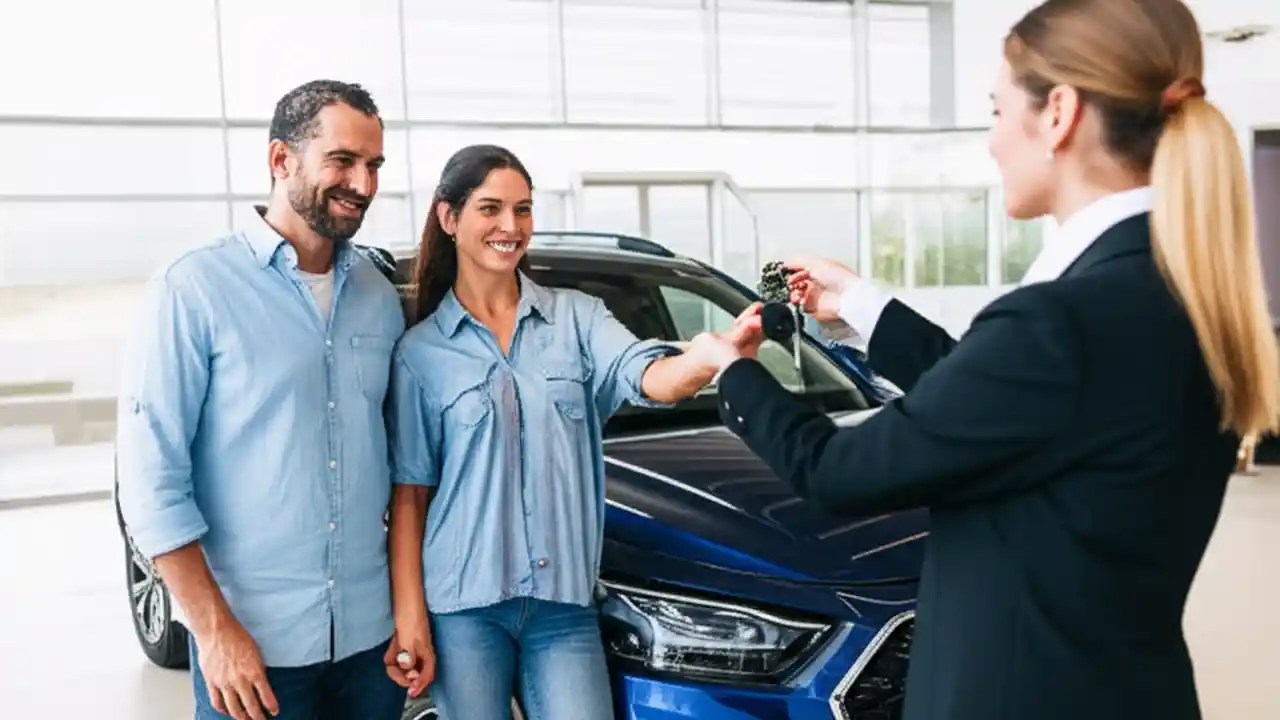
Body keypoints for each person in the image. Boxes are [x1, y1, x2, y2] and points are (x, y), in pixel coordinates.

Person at [697, 1, 1280, 719]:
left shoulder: (1063, 320)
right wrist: (861, 303)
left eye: (997, 110)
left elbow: (836, 471)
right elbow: (1008, 407)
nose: (993, 140)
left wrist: (732, 370)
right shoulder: (1168, 293)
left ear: (1059, 113)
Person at [383, 144, 758, 719]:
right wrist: (411, 620)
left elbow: (650, 376)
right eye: (491, 209)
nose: (511, 226)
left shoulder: (576, 319)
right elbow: (410, 496)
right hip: (462, 609)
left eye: (523, 209)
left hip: (562, 607)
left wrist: (711, 358)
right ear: (449, 218)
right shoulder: (420, 353)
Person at [116, 80, 408, 720]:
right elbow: (151, 485)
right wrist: (214, 633)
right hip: (251, 654)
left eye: (374, 165)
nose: (363, 183)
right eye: (342, 161)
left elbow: (395, 468)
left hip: (371, 646)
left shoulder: (378, 297)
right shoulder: (192, 289)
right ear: (282, 160)